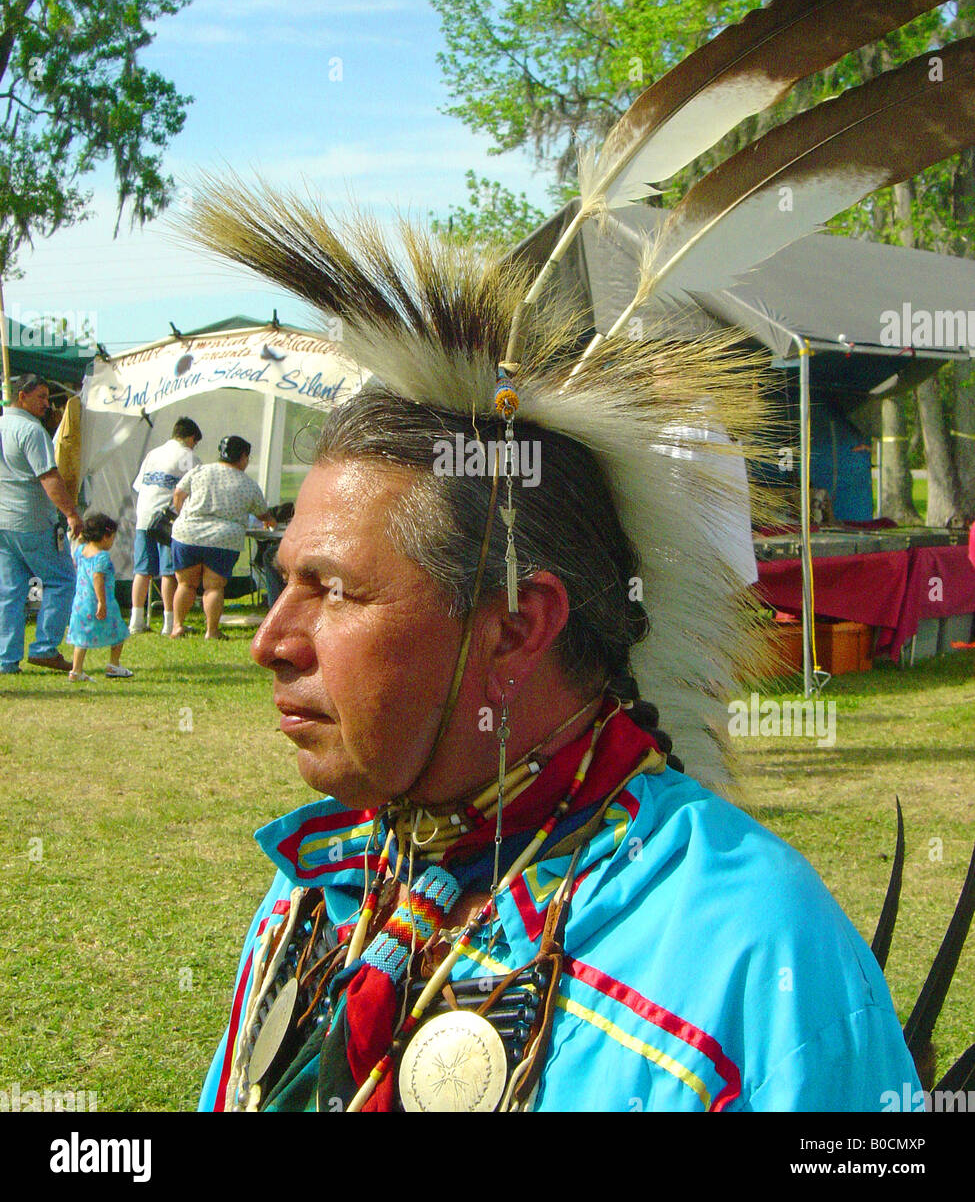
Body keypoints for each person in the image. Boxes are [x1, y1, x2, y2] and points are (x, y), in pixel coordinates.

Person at [188, 198, 923, 1114]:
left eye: (333, 590)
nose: (269, 642)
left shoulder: (744, 954)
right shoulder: (323, 885)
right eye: (281, 579)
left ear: (514, 626)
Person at [0, 374, 82, 675]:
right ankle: (44, 648)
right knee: (62, 581)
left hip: (3, 522)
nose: (47, 404)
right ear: (22, 396)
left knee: (10, 591)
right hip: (32, 520)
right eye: (42, 397)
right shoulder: (31, 430)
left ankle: (5, 659)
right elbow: (48, 477)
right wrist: (71, 513)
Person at [170, 435, 275, 640]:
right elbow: (264, 514)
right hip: (223, 539)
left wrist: (183, 514)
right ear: (243, 457)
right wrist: (270, 521)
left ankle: (177, 626)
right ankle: (212, 631)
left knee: (185, 584)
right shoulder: (248, 484)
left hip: (187, 534)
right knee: (214, 586)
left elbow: (178, 494)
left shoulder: (199, 471)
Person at [130, 417, 202, 636]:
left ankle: (136, 621)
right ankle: (169, 622)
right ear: (191, 438)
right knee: (168, 573)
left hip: (144, 517)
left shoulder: (153, 453)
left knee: (142, 571)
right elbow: (196, 490)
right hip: (167, 522)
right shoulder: (189, 457)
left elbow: (138, 485)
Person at [66, 513, 132, 681]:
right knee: (119, 631)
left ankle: (76, 670)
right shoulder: (101, 556)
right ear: (105, 537)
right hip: (101, 602)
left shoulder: (81, 550)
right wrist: (102, 602)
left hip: (81, 603)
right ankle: (114, 664)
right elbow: (98, 578)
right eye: (112, 539)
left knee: (81, 638)